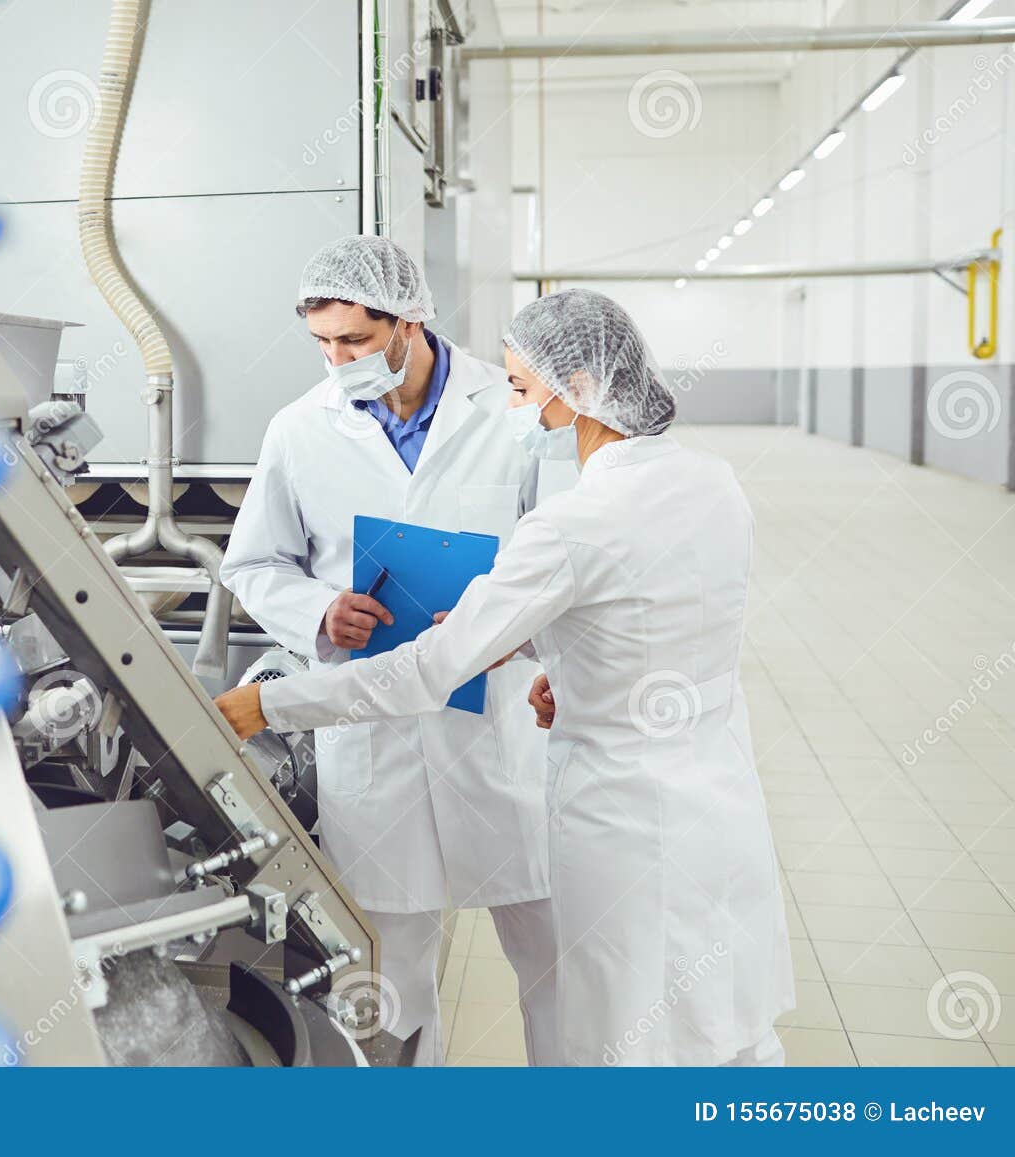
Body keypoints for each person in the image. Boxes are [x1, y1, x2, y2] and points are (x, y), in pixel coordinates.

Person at [217, 289, 795, 1067]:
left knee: (612, 1036)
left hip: (611, 813)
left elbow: (427, 669)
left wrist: (268, 703)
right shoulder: (713, 481)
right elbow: (656, 609)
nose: (514, 405)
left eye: (523, 388)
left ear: (581, 388)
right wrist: (566, 657)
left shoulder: (571, 522)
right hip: (715, 802)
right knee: (717, 1024)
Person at [220, 235, 560, 1066]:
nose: (338, 360)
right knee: (387, 969)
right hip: (370, 732)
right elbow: (253, 563)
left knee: (551, 947)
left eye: (356, 341)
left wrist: (506, 624)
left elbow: (561, 551)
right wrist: (317, 612)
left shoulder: (511, 411)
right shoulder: (301, 428)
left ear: (409, 320)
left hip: (494, 714)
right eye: (324, 344)